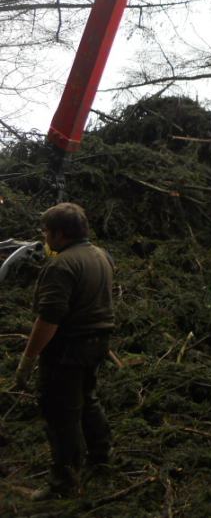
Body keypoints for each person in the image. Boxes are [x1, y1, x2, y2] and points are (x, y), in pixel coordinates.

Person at [13, 202, 114, 500]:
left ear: (58, 234)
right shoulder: (101, 255)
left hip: (69, 349)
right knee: (87, 398)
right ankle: (101, 454)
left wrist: (27, 360)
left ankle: (64, 482)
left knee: (60, 412)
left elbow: (49, 319)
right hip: (98, 343)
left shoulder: (61, 265)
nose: (44, 237)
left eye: (46, 231)